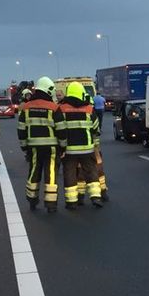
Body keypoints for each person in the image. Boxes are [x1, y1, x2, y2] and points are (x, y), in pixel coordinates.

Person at [17, 76, 65, 213]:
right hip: (51, 148)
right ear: (48, 90)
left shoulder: (26, 107)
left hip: (34, 147)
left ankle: (32, 200)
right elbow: (61, 129)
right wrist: (63, 146)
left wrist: (24, 146)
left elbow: (21, 129)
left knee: (34, 172)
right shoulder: (54, 108)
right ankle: (51, 204)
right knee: (50, 173)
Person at [58, 81, 103, 209]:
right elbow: (96, 128)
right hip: (86, 148)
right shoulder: (89, 108)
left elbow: (59, 128)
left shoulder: (62, 109)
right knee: (91, 172)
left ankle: (71, 201)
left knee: (70, 174)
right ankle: (96, 197)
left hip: (69, 149)